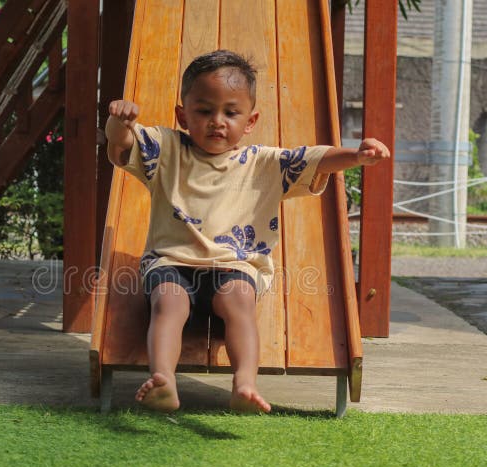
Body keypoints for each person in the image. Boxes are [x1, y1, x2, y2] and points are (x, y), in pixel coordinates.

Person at [105, 50, 389, 414]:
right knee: (168, 303)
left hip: (235, 267)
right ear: (183, 115)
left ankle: (244, 384)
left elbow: (316, 158)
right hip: (172, 262)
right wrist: (119, 122)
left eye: (230, 113)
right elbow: (122, 143)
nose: (217, 122)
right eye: (204, 111)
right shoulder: (166, 149)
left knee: (239, 301)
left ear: (250, 120)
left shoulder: (263, 163)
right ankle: (164, 380)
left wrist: (356, 157)